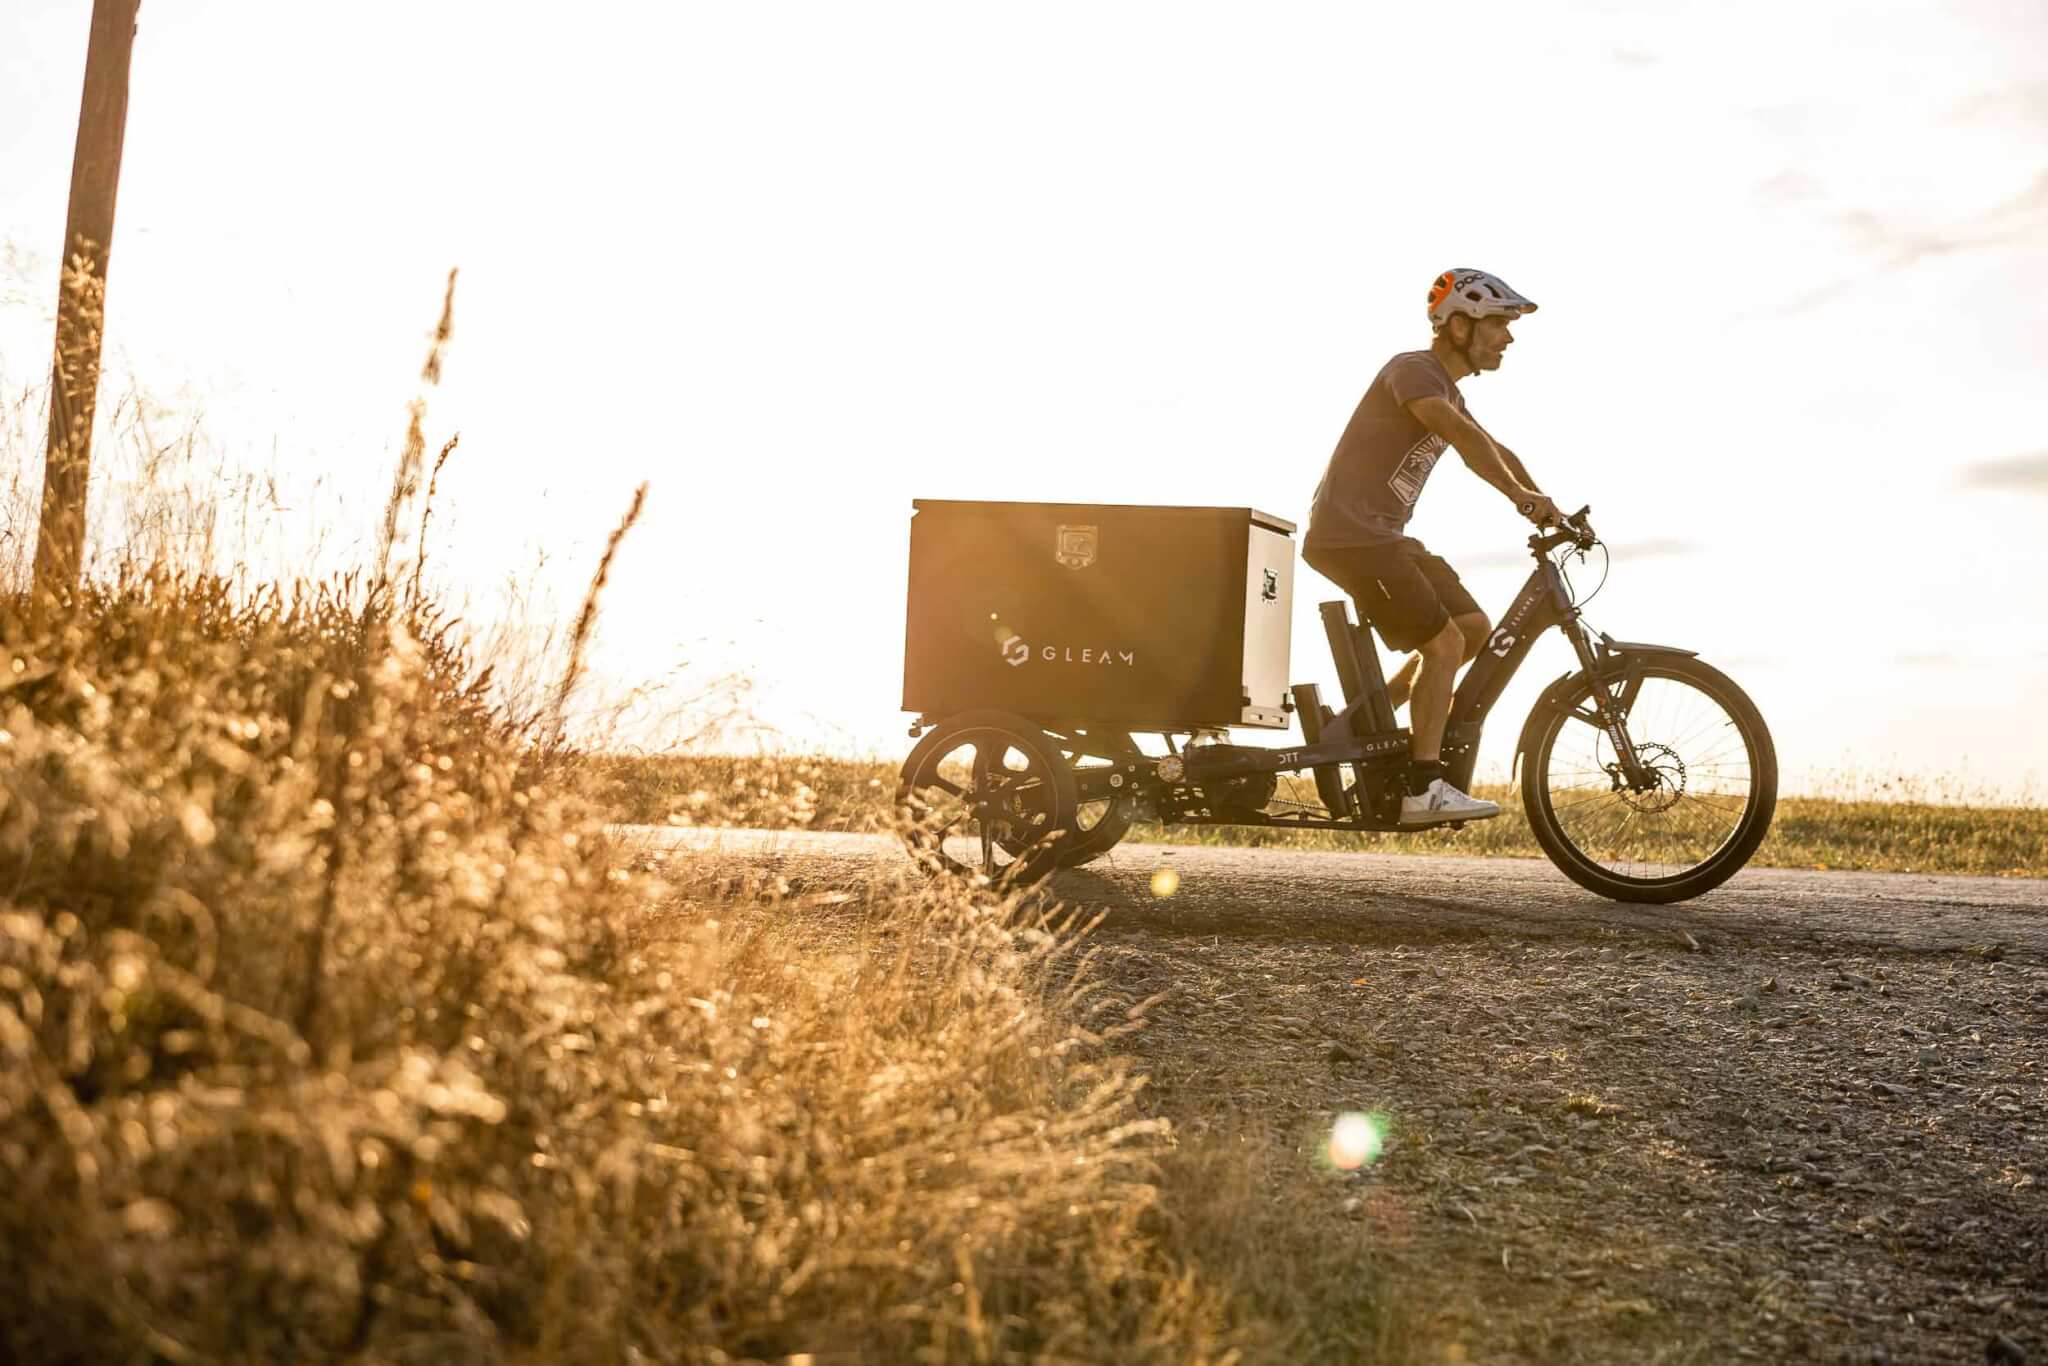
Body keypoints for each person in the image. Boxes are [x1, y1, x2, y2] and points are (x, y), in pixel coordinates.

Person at [1302, 267, 1562, 826]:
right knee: (1443, 645)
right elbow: (1465, 441)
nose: (1509, 338)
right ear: (1460, 324)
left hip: (1384, 537)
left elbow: (1493, 446)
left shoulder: (1447, 390)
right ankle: (1422, 787)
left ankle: (1363, 722)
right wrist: (1519, 498)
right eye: (1499, 323)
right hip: (1352, 537)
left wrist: (1548, 503)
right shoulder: (1414, 370)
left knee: (1470, 629)